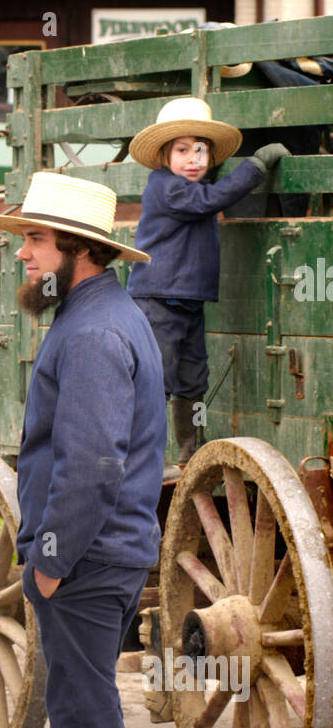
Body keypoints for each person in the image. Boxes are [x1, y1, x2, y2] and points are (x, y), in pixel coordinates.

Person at [0, 172, 165, 728]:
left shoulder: (90, 332)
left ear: (78, 251)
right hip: (108, 551)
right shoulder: (103, 313)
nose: (21, 253)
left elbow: (90, 463)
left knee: (85, 708)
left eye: (34, 240)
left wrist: (50, 560)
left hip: (86, 556)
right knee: (82, 702)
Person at [126, 97, 288, 480]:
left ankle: (189, 452)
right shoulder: (167, 188)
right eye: (182, 150)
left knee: (193, 377)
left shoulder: (190, 185)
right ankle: (147, 456)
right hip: (157, 299)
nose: (193, 158)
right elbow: (213, 199)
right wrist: (256, 166)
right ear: (164, 156)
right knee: (157, 379)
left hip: (188, 300)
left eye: (201, 150)